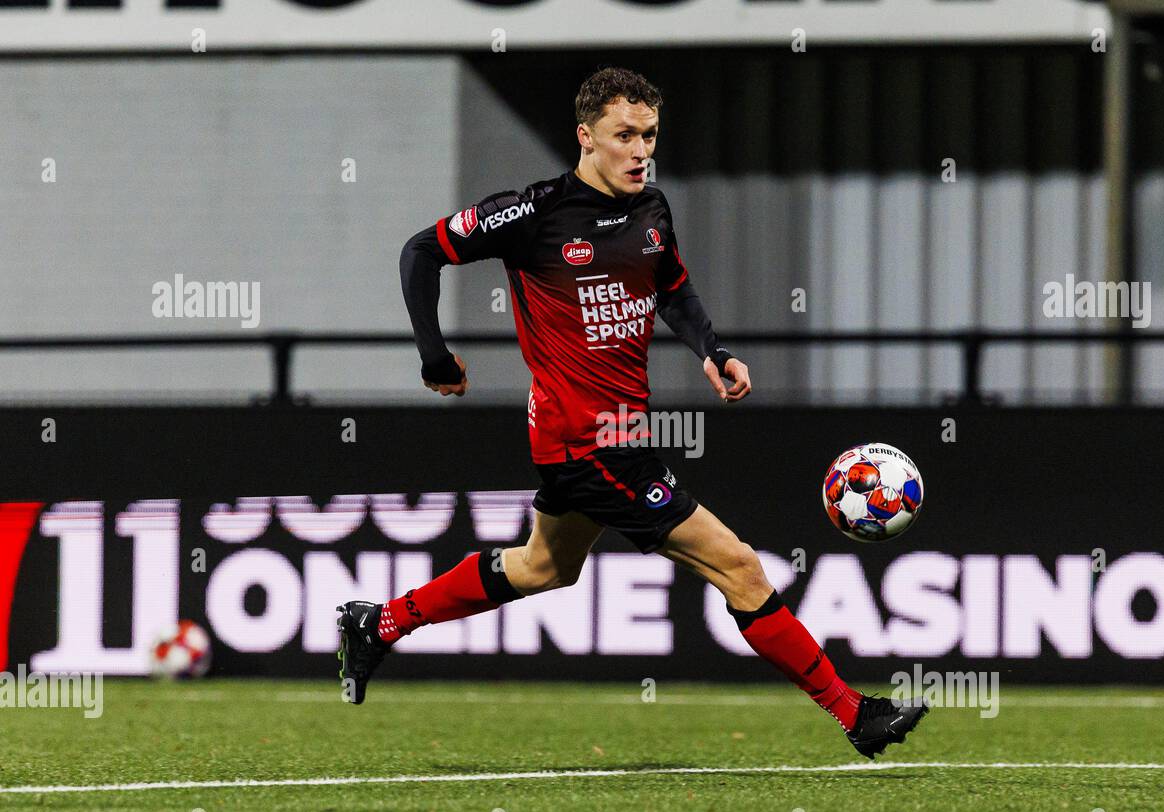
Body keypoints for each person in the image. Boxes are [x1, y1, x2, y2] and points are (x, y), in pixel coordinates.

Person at [336, 66, 927, 759]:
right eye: (624, 135)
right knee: (740, 567)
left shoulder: (652, 211)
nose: (640, 150)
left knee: (542, 568)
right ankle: (856, 714)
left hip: (613, 438)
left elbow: (672, 288)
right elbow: (422, 252)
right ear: (586, 137)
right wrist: (435, 355)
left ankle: (378, 624)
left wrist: (712, 349)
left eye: (649, 135)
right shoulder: (531, 215)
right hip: (587, 445)